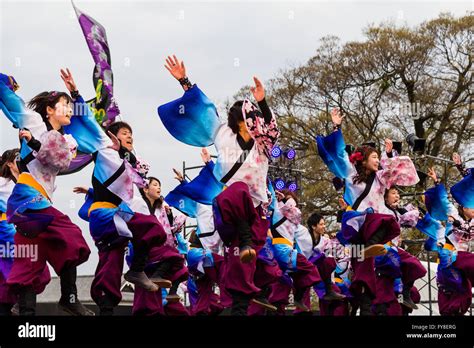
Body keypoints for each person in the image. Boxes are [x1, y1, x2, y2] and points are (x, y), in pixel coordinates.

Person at [159, 55, 281, 315]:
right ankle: (241, 286)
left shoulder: (263, 144)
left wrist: (263, 101)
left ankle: (249, 294)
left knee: (253, 262)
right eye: (253, 118)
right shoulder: (222, 133)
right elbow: (203, 108)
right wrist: (184, 80)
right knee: (237, 192)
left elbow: (271, 128)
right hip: (230, 209)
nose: (257, 123)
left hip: (256, 211)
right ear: (240, 121)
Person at [0, 70, 100, 316]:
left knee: (29, 265)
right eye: (64, 105)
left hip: (33, 206)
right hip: (28, 198)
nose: (68, 109)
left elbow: (58, 160)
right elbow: (9, 100)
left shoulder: (63, 140)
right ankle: (69, 297)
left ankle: (26, 317)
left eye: (69, 106)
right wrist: (5, 84)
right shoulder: (33, 120)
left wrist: (76, 95)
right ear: (49, 110)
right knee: (72, 237)